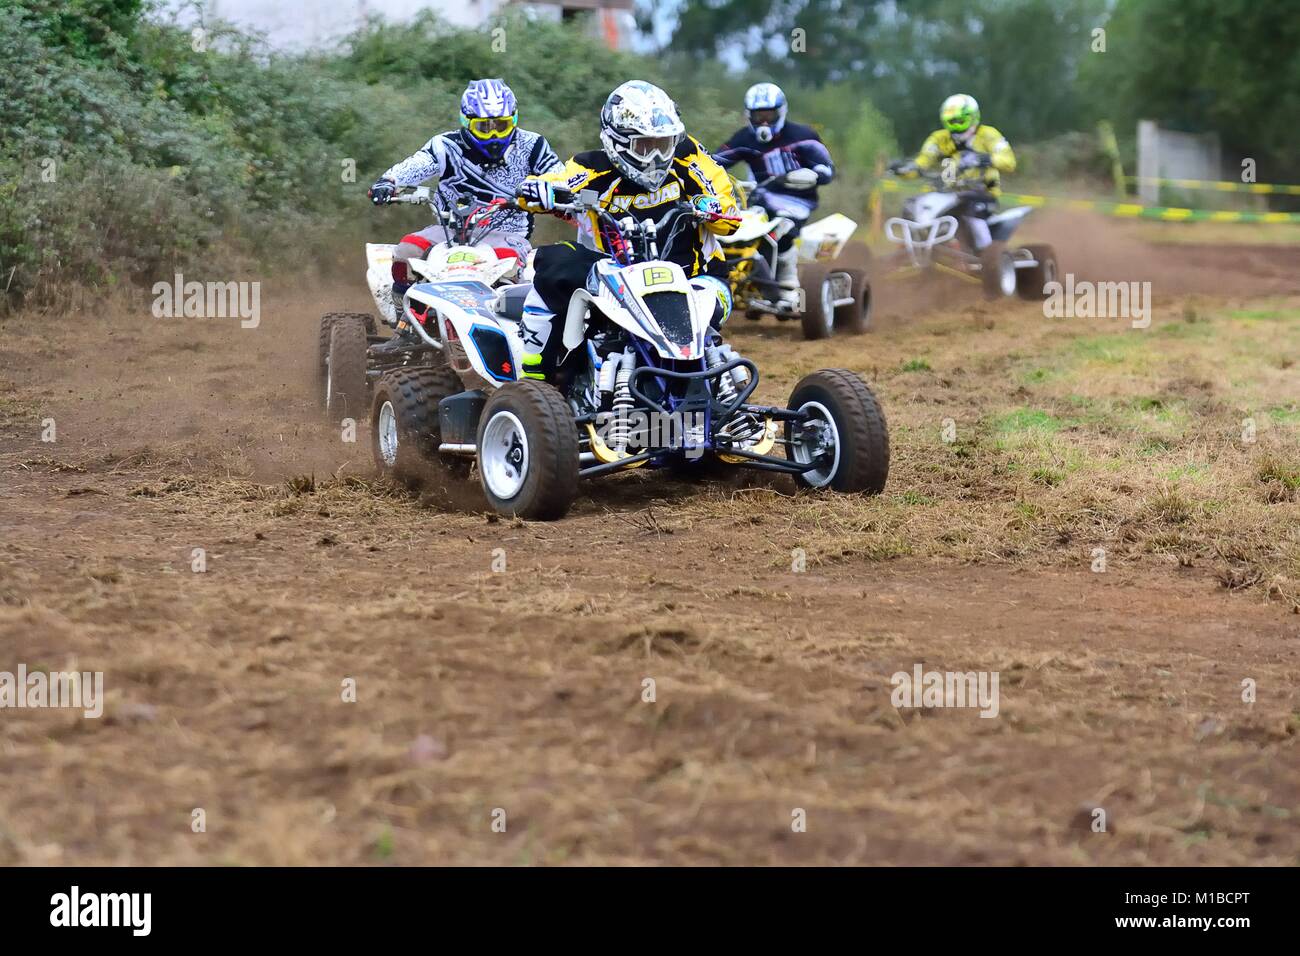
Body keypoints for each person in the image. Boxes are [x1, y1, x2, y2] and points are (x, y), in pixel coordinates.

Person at [514, 80, 740, 384]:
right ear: (616, 142)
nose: (657, 157)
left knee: (707, 333)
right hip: (616, 287)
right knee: (552, 260)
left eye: (665, 144)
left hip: (698, 282)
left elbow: (730, 218)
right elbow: (555, 183)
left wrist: (714, 207)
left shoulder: (690, 157)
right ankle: (537, 377)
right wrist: (540, 189)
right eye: (645, 146)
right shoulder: (593, 167)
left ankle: (720, 388)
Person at [367, 78, 563, 341]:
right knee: (405, 252)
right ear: (466, 122)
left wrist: (552, 191)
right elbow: (417, 164)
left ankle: (516, 335)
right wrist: (389, 182)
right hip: (448, 230)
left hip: (506, 233)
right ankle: (407, 326)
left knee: (511, 270)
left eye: (501, 126)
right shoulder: (445, 146)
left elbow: (560, 177)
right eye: (485, 127)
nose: (494, 135)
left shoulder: (533, 145)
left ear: (514, 120)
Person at [712, 82, 834, 302]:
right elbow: (713, 163)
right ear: (749, 116)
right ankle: (732, 279)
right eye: (759, 117)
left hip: (797, 202)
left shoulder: (803, 135)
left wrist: (813, 175)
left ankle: (788, 283)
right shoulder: (744, 139)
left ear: (781, 111)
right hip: (759, 200)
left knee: (782, 230)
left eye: (769, 115)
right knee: (732, 232)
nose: (764, 122)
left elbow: (827, 169)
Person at [891, 93, 1017, 251]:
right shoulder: (939, 138)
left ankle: (987, 254)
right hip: (945, 193)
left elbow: (1009, 162)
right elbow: (923, 162)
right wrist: (904, 170)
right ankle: (912, 250)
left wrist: (986, 159)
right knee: (912, 207)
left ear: (973, 117)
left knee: (972, 213)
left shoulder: (988, 134)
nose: (954, 127)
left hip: (981, 192)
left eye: (959, 121)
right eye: (950, 122)